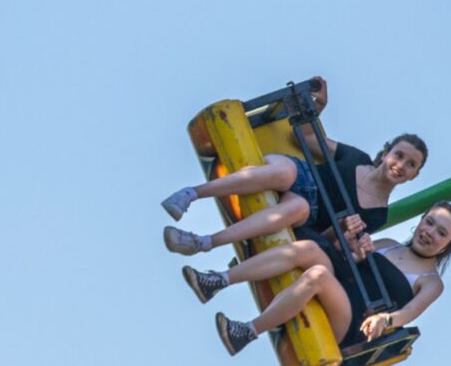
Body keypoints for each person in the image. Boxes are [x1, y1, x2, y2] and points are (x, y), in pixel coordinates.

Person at [183, 202, 451, 357]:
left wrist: (385, 320)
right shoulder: (389, 243)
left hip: (357, 318)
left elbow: (409, 312)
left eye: (441, 233)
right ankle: (218, 280)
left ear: (446, 246)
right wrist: (354, 247)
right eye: (430, 223)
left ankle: (246, 332)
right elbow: (348, 261)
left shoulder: (430, 281)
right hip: (344, 285)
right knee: (309, 250)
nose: (430, 233)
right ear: (421, 220)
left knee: (317, 276)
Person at [161, 106, 427, 256]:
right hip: (302, 174)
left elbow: (327, 237)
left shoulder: (378, 214)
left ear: (414, 175)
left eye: (410, 165)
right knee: (285, 174)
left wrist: (346, 230)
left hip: (307, 210)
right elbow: (306, 138)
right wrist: (317, 108)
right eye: (399, 156)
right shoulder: (356, 157)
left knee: (296, 209)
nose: (401, 165)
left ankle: (204, 242)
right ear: (386, 153)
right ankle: (192, 194)